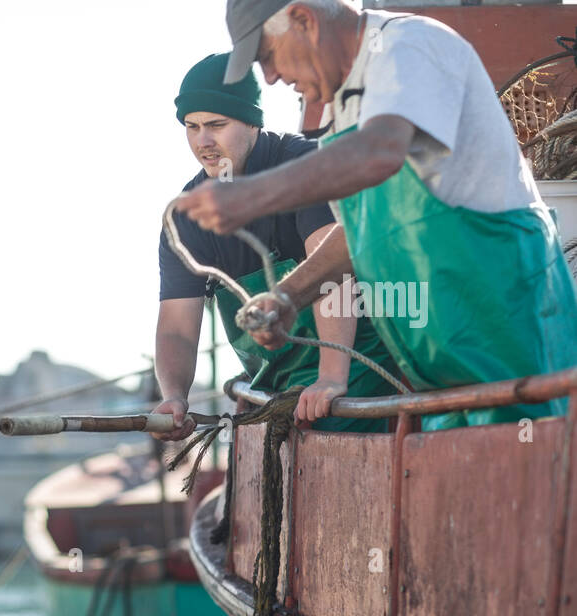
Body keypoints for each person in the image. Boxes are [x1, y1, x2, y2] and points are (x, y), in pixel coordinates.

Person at [175, 0, 577, 430]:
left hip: (507, 333)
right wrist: (289, 296)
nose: (271, 77)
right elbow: (360, 230)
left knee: (529, 478)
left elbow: (381, 151)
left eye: (268, 57)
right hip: (441, 366)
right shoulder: (341, 112)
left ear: (304, 20)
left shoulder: (407, 46)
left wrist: (256, 194)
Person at [154, 52, 398, 442]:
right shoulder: (187, 218)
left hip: (355, 368)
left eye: (217, 124)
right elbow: (178, 329)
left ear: (253, 122)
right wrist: (173, 397)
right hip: (275, 384)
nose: (204, 141)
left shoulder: (304, 166)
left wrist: (331, 379)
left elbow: (333, 270)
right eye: (192, 126)